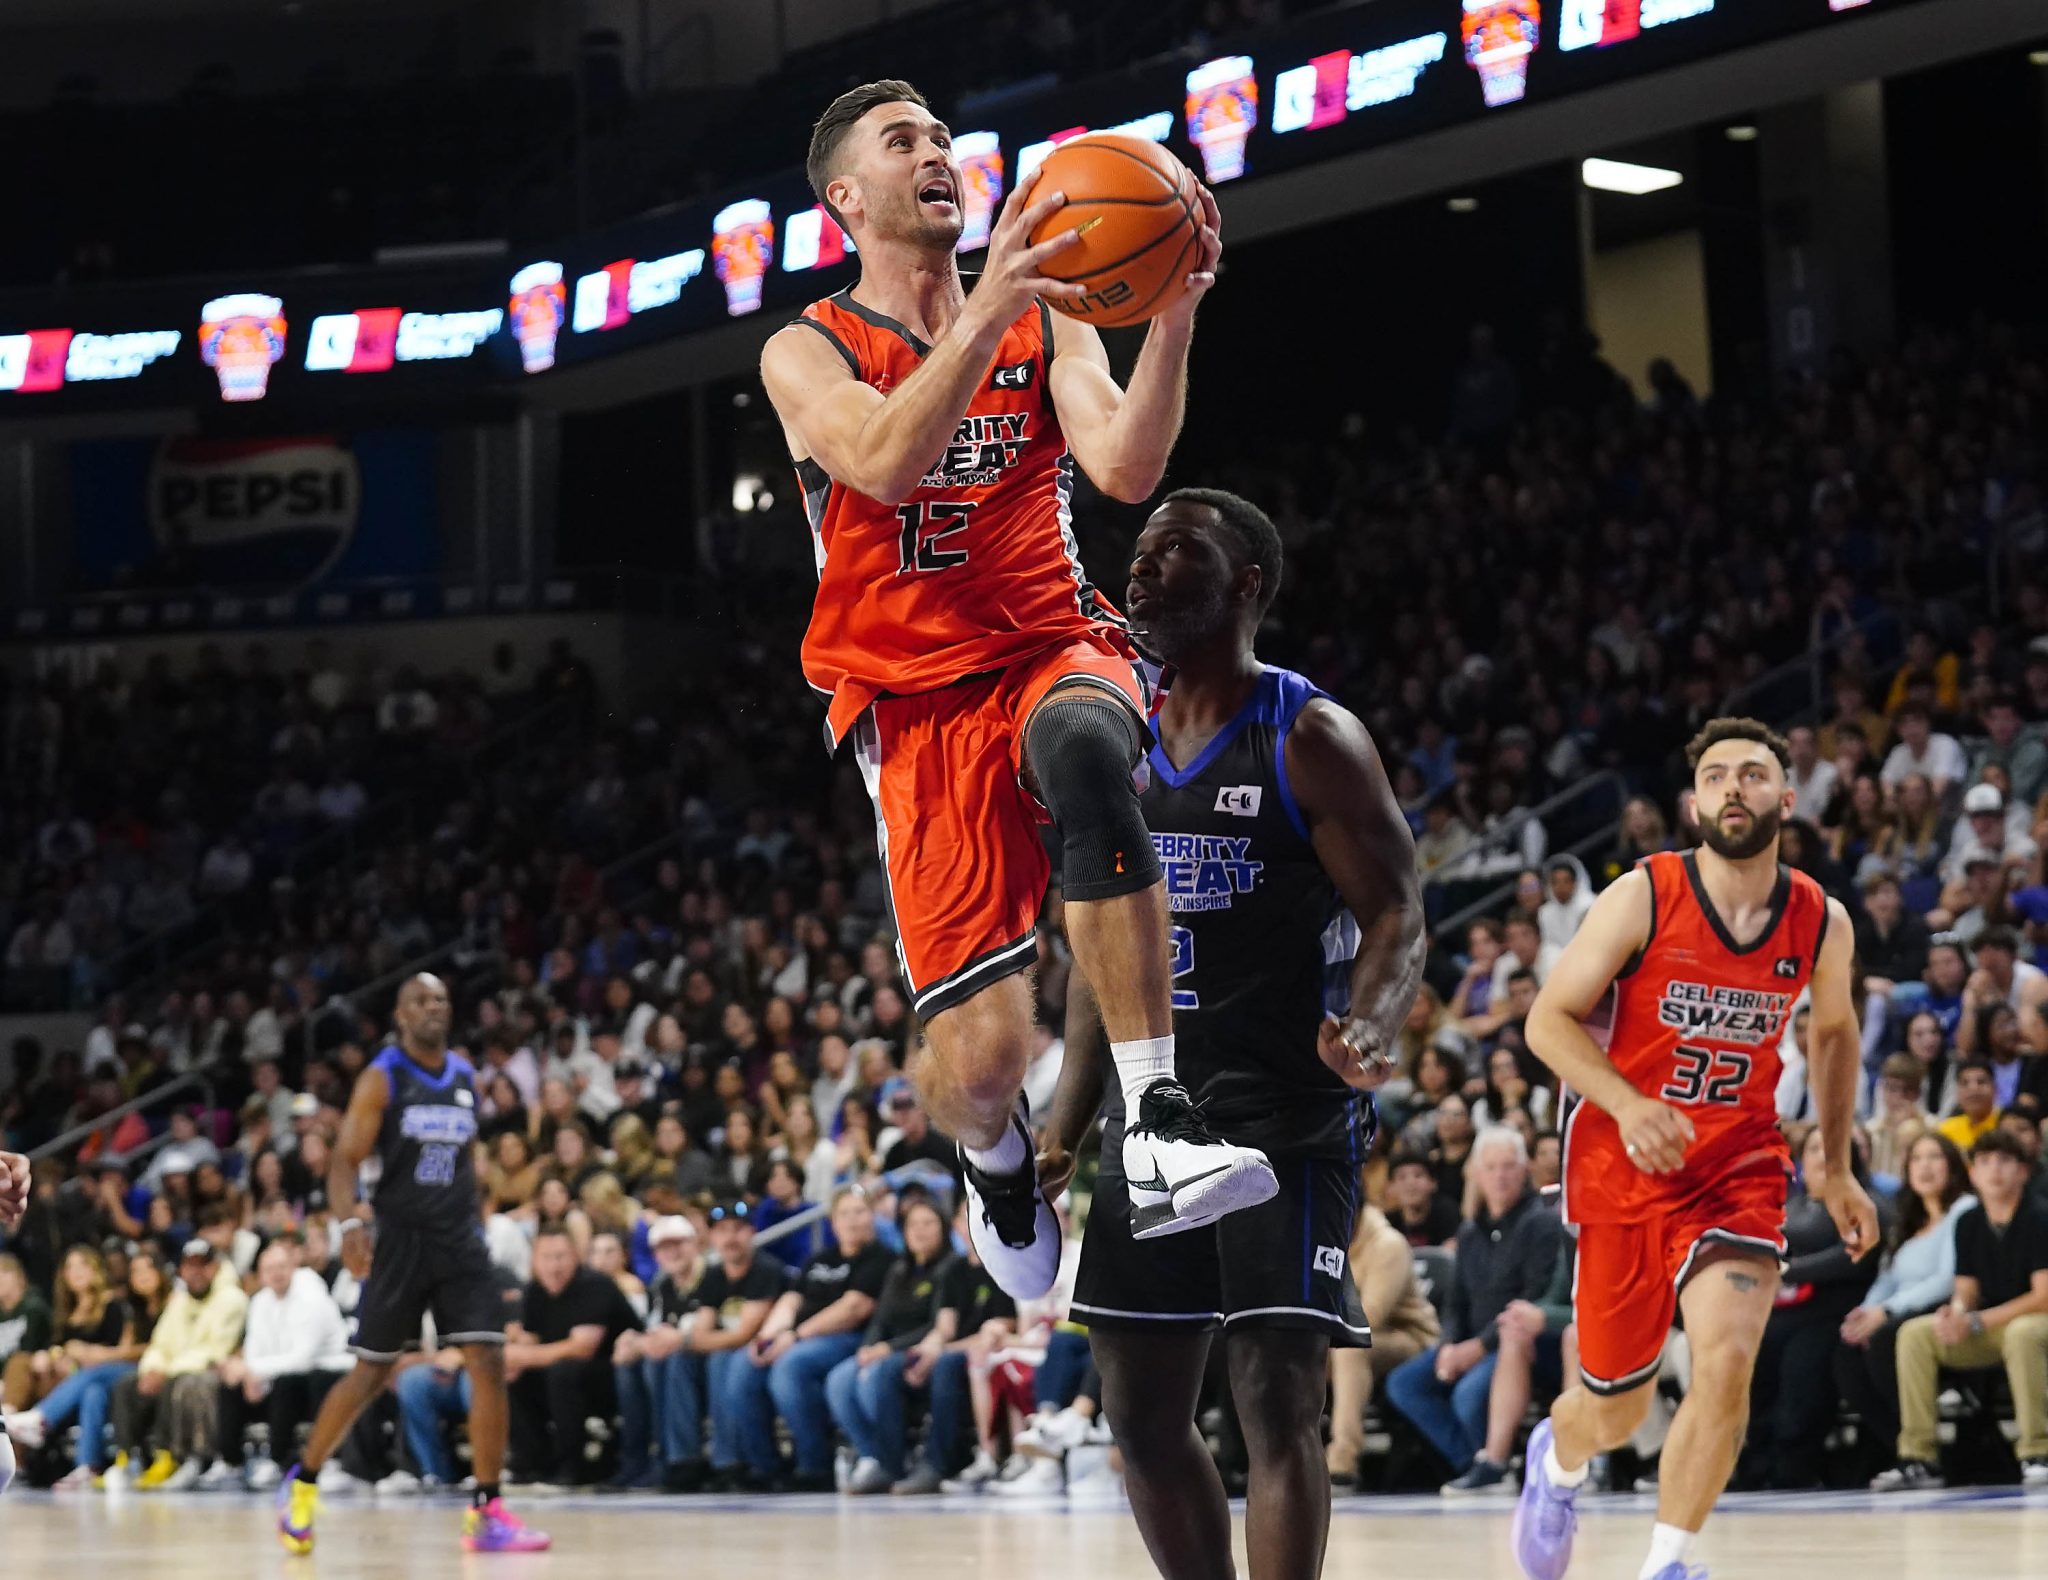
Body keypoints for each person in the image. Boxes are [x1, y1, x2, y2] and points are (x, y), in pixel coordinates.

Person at [760, 80, 1270, 1298]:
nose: (936, 151)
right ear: (848, 198)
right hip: (913, 700)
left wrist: (1176, 316)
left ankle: (1156, 1119)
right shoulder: (807, 347)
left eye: (942, 135)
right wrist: (986, 308)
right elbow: (883, 461)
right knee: (986, 1059)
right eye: (904, 142)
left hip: (1049, 636)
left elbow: (1127, 464)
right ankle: (990, 1156)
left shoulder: (1050, 318)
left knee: (1093, 743)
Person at [1045, 488, 1424, 1580]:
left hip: (1282, 1116)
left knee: (1274, 1393)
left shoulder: (1308, 735)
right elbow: (1095, 955)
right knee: (1140, 1414)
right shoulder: (1108, 738)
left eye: (1180, 550)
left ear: (1246, 583)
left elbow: (1398, 903)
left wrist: (1370, 1013)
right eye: (1142, 548)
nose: (1145, 566)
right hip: (1151, 1123)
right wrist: (1066, 1117)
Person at [1515, 717, 1877, 1580]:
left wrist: (1835, 1166)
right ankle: (1557, 1459)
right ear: (1694, 802)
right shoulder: (1644, 893)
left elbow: (1833, 1036)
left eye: (1753, 775)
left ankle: (1668, 1563)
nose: (1732, 789)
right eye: (1716, 776)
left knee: (1725, 1359)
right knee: (1613, 1408)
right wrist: (1628, 1101)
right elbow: (1545, 1020)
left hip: (1739, 1165)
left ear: (1786, 799)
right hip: (1622, 1165)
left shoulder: (1820, 920)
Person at [277, 974, 548, 1554]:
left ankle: (488, 1508)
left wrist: (476, 1218)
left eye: (443, 1000)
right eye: (422, 1000)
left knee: (488, 1359)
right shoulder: (385, 1076)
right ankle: (301, 1482)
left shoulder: (464, 1075)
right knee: (372, 1372)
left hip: (458, 1240)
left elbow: (466, 1159)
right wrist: (349, 1225)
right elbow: (345, 1161)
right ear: (400, 1014)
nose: (435, 1008)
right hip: (400, 1239)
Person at [1383, 1128, 1563, 1493]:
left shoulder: (1541, 1223)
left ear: (1524, 1170)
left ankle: (1492, 1465)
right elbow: (1456, 1302)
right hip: (1471, 1344)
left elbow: (1533, 1298)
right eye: (1491, 1167)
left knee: (1467, 1393)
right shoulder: (1469, 1232)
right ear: (1478, 1174)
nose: (1500, 1176)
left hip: (1520, 1342)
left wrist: (1476, 1348)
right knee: (1403, 1384)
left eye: (1509, 1166)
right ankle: (1477, 1462)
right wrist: (1449, 1344)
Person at [1878, 1129, 2048, 1488]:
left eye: (2004, 1161)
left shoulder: (2038, 1216)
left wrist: (1976, 1320)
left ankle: (2038, 1451)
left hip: (2036, 1322)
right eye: (1984, 1162)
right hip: (1991, 1325)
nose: (1994, 1170)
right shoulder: (1970, 1221)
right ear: (1972, 1174)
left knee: (2021, 1334)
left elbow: (2043, 1297)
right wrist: (1954, 1313)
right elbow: (1966, 1289)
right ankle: (1919, 1456)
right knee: (1915, 1334)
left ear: (2023, 1171)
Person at [1834, 1132, 1974, 1484]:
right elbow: (1886, 1278)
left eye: (1934, 1158)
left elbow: (1947, 1279)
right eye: (1917, 1159)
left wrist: (1886, 1312)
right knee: (1845, 1355)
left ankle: (1921, 1451)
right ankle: (1903, 1447)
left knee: (1885, 1341)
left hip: (1943, 1308)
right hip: (1895, 1311)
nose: (1924, 1167)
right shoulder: (1905, 1220)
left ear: (1953, 1167)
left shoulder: (1963, 1210)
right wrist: (1866, 1311)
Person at [737, 1187, 892, 1491]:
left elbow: (853, 1308)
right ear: (833, 1222)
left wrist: (794, 1336)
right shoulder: (819, 1259)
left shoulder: (881, 1258)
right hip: (802, 1338)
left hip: (850, 1338)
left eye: (859, 1212)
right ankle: (765, 1466)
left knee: (791, 1366)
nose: (852, 1220)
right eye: (844, 1213)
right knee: (744, 1365)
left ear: (872, 1217)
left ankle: (813, 1463)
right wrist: (768, 1336)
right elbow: (791, 1300)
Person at [826, 1194, 953, 1492]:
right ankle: (872, 1456)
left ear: (943, 1228)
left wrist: (887, 1350)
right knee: (840, 1379)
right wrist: (868, 1348)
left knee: (879, 1376)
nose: (920, 1231)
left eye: (928, 1223)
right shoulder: (898, 1270)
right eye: (913, 1225)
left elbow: (936, 1325)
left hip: (919, 1348)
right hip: (886, 1348)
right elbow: (881, 1320)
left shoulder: (949, 1268)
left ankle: (893, 1461)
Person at [214, 1238, 351, 1490]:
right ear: (261, 1274)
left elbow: (303, 1358)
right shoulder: (260, 1302)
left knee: (286, 1383)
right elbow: (254, 1352)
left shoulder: (312, 1298)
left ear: (293, 1267)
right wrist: (248, 1374)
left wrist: (253, 1370)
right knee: (230, 1384)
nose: (276, 1274)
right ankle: (230, 1463)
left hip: (326, 1376)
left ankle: (282, 1461)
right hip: (283, 1377)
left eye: (281, 1267)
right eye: (269, 1269)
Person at [506, 1225, 639, 1486]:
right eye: (546, 1257)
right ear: (534, 1260)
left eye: (560, 1257)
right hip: (566, 1374)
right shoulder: (535, 1291)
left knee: (562, 1371)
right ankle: (529, 1463)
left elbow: (582, 1348)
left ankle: (573, 1466)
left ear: (576, 1256)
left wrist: (521, 1354)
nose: (554, 1266)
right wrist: (511, 1352)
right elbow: (529, 1340)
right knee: (515, 1375)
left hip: (617, 1370)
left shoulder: (594, 1285)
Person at [1325, 1200, 1442, 1487]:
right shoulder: (1328, 1239)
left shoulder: (1388, 1244)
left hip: (1411, 1338)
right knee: (1294, 1351)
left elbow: (1370, 1317)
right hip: (1347, 1335)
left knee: (1349, 1351)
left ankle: (1343, 1460)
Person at [688, 1202, 788, 1492]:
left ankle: (732, 1463)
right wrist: (688, 1342)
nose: (730, 1238)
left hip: (768, 1351)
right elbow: (700, 1330)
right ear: (711, 1237)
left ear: (752, 1233)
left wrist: (693, 1341)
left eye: (737, 1230)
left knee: (722, 1360)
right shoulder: (713, 1274)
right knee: (675, 1362)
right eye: (722, 1231)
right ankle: (682, 1462)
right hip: (731, 1351)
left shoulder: (766, 1269)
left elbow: (744, 1335)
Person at [611, 1214, 709, 1491]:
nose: (672, 1252)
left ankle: (677, 1460)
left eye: (679, 1244)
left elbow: (698, 1330)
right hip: (677, 1351)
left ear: (694, 1244)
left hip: (709, 1353)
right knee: (628, 1364)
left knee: (662, 1361)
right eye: (664, 1247)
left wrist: (649, 1343)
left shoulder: (710, 1275)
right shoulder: (662, 1285)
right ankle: (636, 1459)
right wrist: (633, 1342)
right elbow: (655, 1330)